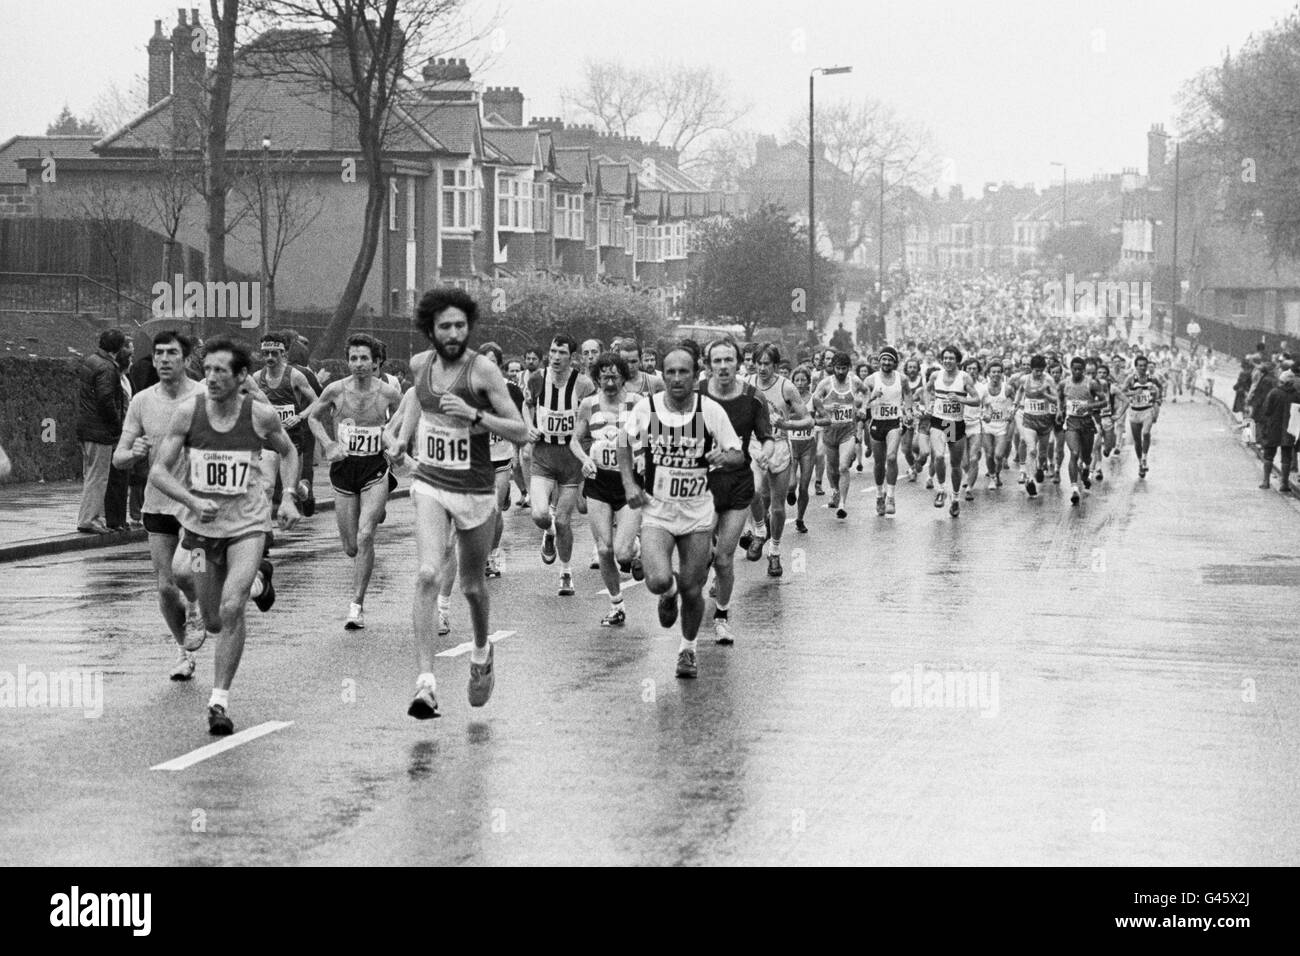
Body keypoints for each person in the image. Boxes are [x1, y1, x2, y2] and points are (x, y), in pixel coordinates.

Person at [148, 337, 302, 735]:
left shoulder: (259, 415)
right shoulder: (187, 414)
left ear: (241, 377)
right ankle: (258, 584)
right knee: (213, 618)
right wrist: (191, 502)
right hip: (201, 531)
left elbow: (288, 452)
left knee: (232, 609)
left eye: (221, 371)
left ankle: (219, 701)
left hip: (247, 526)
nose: (211, 378)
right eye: (208, 370)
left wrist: (287, 498)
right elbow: (159, 472)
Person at [389, 288, 530, 718]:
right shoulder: (420, 365)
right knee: (428, 573)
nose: (453, 333)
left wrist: (475, 416)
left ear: (469, 328)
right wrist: (396, 437)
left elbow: (522, 432)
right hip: (431, 482)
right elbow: (416, 404)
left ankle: (482, 652)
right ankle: (425, 685)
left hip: (475, 489)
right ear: (430, 329)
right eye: (444, 326)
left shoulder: (483, 371)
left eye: (460, 326)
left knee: (471, 586)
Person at [620, 344, 742, 678]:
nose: (676, 378)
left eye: (683, 371)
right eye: (670, 372)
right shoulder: (648, 408)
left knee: (693, 587)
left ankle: (687, 650)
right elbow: (622, 442)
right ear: (663, 374)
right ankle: (667, 593)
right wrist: (630, 484)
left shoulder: (711, 411)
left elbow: (737, 453)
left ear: (696, 374)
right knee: (658, 579)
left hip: (697, 515)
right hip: (657, 512)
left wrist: (724, 458)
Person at [113, 331, 206, 680]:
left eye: (172, 353)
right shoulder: (141, 401)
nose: (165, 360)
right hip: (157, 503)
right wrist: (132, 453)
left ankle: (196, 608)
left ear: (185, 359)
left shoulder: (203, 395)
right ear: (152, 360)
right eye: (159, 354)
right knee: (166, 587)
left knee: (188, 573)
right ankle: (183, 652)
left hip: (197, 504)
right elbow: (119, 457)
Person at [308, 333, 402, 629]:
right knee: (350, 547)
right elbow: (313, 417)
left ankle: (356, 606)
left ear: (375, 363)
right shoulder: (335, 390)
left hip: (375, 467)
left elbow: (403, 424)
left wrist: (397, 445)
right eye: (353, 358)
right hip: (344, 469)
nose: (358, 364)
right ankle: (374, 510)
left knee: (365, 536)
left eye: (364, 359)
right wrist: (327, 443)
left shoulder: (388, 393)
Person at [703, 337, 774, 643]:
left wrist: (766, 452)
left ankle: (721, 617)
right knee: (700, 557)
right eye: (716, 361)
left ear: (738, 363)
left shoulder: (753, 397)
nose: (722, 366)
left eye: (728, 360)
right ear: (708, 366)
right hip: (701, 483)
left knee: (723, 557)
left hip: (737, 482)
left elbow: (766, 435)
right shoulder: (696, 394)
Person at [572, 352, 642, 626]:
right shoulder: (588, 405)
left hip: (629, 482)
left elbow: (652, 436)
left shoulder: (637, 403)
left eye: (614, 376)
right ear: (597, 378)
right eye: (604, 377)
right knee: (603, 549)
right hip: (598, 482)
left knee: (622, 553)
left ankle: (635, 548)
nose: (609, 382)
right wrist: (585, 459)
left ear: (623, 377)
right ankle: (616, 606)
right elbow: (575, 441)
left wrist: (645, 457)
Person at [525, 335, 595, 595]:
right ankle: (548, 531)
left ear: (571, 357)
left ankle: (565, 573)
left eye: (561, 353)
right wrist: (529, 426)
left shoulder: (583, 384)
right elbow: (526, 404)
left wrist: (588, 452)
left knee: (565, 520)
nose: (555, 357)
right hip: (543, 454)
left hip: (571, 457)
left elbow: (590, 416)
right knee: (540, 514)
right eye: (552, 351)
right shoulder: (536, 379)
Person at [751, 344, 811, 576]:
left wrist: (786, 424)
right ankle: (758, 531)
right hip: (755, 446)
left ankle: (774, 553)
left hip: (778, 447)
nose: (762, 368)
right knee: (753, 492)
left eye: (767, 364)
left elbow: (808, 421)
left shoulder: (787, 387)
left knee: (777, 507)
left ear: (776, 366)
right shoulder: (746, 384)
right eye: (759, 363)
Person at [254, 332, 319, 513]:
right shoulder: (256, 378)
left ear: (283, 354)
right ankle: (265, 533)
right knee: (266, 485)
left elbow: (316, 401)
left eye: (274, 353)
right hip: (268, 439)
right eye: (266, 353)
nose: (270, 357)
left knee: (292, 487)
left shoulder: (295, 376)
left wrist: (299, 416)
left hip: (292, 439)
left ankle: (304, 491)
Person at [477, 341, 526, 577]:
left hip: (501, 458)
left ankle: (492, 555)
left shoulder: (511, 390)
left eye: (493, 362)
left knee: (495, 510)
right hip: (476, 460)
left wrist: (517, 453)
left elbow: (518, 424)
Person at [76, 329, 130, 534]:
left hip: (86, 427)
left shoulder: (91, 361)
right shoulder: (108, 368)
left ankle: (88, 516)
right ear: (118, 348)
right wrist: (117, 425)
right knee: (99, 476)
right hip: (100, 430)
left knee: (90, 474)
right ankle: (89, 519)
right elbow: (106, 400)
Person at [811, 351, 865, 518]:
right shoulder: (826, 384)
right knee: (832, 468)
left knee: (843, 466)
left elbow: (867, 390)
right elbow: (814, 399)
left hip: (847, 432)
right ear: (833, 368)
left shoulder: (854, 381)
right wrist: (826, 409)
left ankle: (842, 503)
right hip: (830, 431)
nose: (841, 372)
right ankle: (834, 490)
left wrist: (863, 408)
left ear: (849, 368)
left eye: (844, 368)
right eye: (838, 368)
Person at [862, 346, 911, 515]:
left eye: (890, 359)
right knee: (878, 462)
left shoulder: (902, 379)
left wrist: (909, 411)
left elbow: (908, 395)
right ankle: (879, 495)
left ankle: (890, 496)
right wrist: (872, 397)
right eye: (884, 359)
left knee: (891, 458)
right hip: (876, 423)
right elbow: (859, 403)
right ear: (880, 361)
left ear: (895, 362)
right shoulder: (870, 380)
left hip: (894, 423)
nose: (887, 362)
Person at [1057, 357, 1107, 506]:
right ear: (1071, 369)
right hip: (1071, 423)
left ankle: (1086, 468)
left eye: (1080, 369)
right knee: (1073, 453)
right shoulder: (1064, 383)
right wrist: (1060, 411)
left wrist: (1089, 407)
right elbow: (1059, 398)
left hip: (1086, 424)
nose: (1077, 371)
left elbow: (1104, 402)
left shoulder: (1091, 383)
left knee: (1086, 457)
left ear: (1084, 370)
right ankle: (1074, 489)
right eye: (1074, 369)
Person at [104, 336, 137, 531]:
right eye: (130, 357)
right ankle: (114, 519)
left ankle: (121, 519)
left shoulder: (126, 378)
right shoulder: (115, 377)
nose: (132, 361)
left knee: (124, 477)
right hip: (118, 431)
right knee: (115, 478)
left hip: (127, 431)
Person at [1258, 369, 1300, 492]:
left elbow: (1266, 410)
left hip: (1273, 428)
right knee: (1286, 457)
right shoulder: (1297, 395)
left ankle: (1266, 481)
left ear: (1281, 381)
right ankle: (1284, 484)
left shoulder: (1274, 393)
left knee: (1268, 455)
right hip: (1289, 430)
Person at [1122, 354, 1163, 478]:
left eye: (1144, 366)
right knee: (1137, 441)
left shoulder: (1152, 378)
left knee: (1146, 433)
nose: (1142, 368)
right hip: (1134, 412)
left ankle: (1145, 458)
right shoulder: (1131, 379)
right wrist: (1134, 392)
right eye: (1140, 366)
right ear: (1135, 367)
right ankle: (1140, 463)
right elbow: (1123, 392)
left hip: (1147, 410)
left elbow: (1160, 387)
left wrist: (1158, 398)